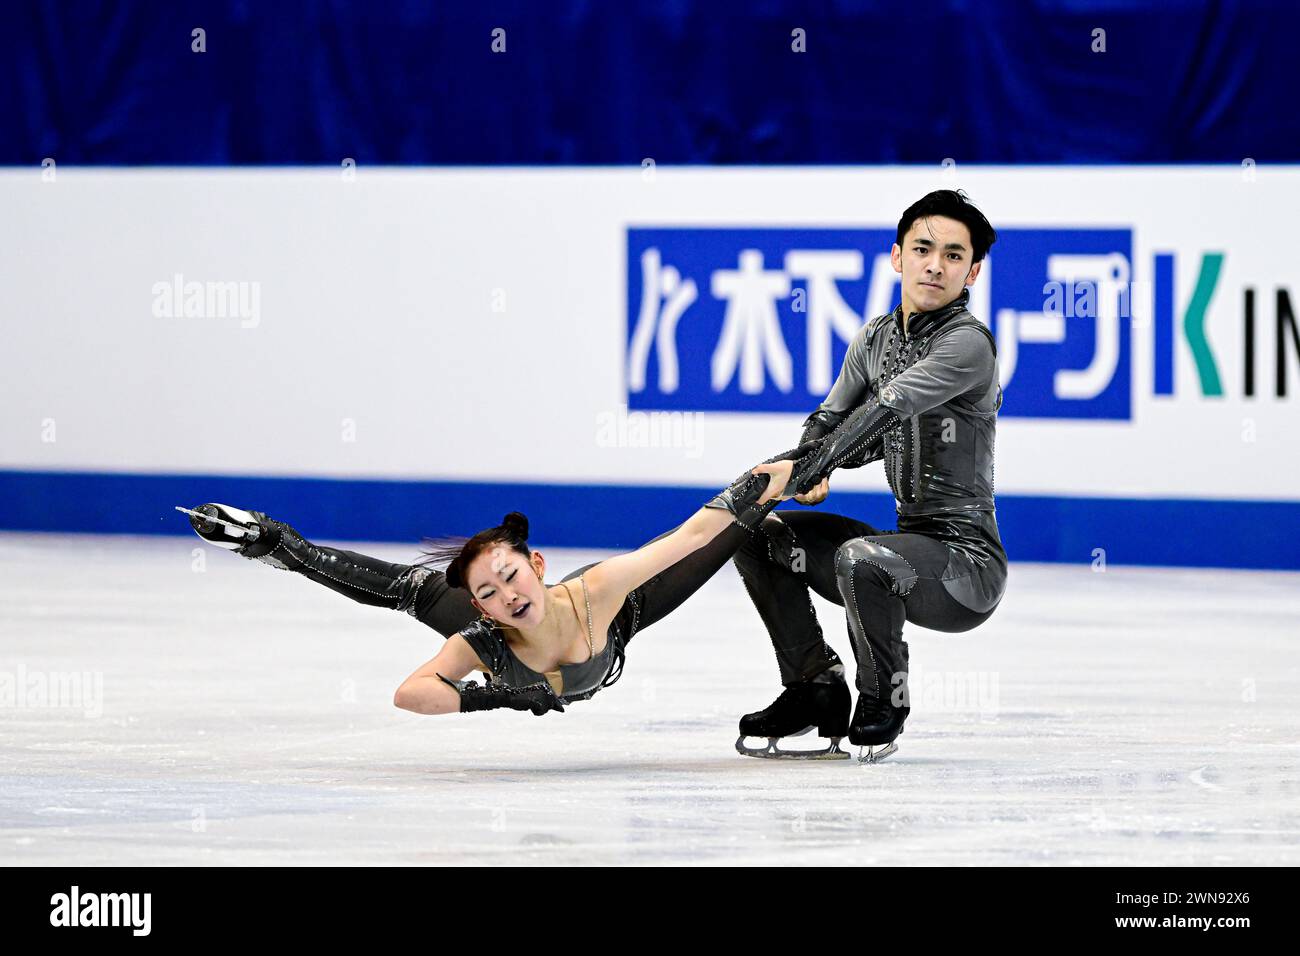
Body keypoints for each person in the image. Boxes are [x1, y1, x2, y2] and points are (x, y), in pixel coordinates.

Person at [181, 438, 818, 720]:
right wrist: (501, 696)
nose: (508, 597)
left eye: (511, 579)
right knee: (409, 590)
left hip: (615, 624)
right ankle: (274, 542)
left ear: (536, 567)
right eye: (489, 592)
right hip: (512, 664)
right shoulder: (483, 635)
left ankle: (818, 686)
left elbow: (689, 535)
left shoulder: (602, 589)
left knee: (743, 523)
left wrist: (797, 469)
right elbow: (411, 692)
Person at [733, 188, 1007, 763]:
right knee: (759, 536)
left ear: (972, 271)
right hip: (903, 549)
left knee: (862, 558)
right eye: (923, 248)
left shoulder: (968, 344)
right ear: (897, 256)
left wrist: (810, 464)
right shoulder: (875, 338)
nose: (935, 264)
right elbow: (832, 418)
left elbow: (886, 410)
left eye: (954, 256)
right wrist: (810, 459)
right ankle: (814, 684)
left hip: (964, 570)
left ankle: (886, 696)